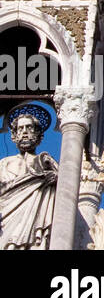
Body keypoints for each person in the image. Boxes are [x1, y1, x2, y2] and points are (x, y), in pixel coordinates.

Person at [0, 105, 58, 250]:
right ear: (14, 136)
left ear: (39, 135)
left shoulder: (45, 163)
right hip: (6, 217)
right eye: (20, 129)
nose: (25, 132)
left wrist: (51, 176)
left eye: (29, 128)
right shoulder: (3, 164)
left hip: (34, 218)